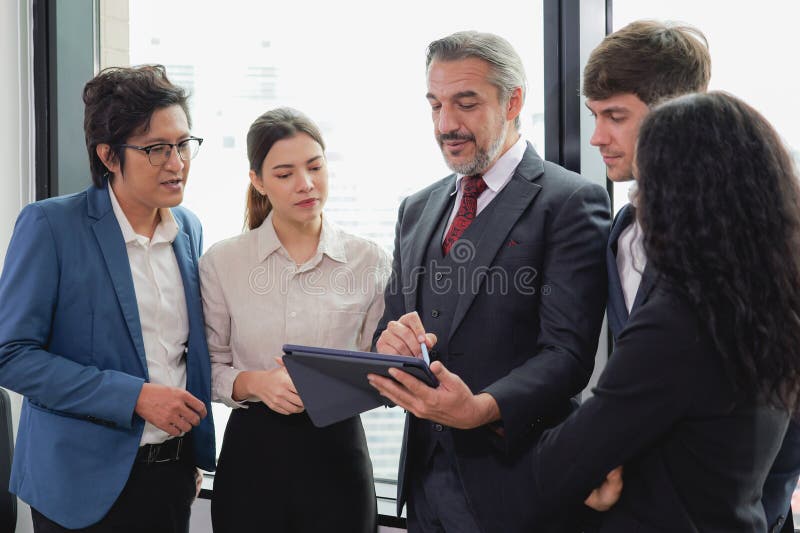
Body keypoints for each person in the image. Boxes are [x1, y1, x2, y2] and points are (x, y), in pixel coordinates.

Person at [368, 31, 611, 532]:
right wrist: (388, 345)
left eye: (466, 103)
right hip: (424, 488)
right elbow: (394, 326)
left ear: (514, 100)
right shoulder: (416, 209)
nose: (445, 124)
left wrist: (481, 409)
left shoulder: (570, 202)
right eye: (435, 104)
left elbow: (567, 355)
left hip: (522, 485)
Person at [530, 90, 800, 532]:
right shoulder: (771, 305)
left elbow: (557, 466)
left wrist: (596, 472)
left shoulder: (679, 322)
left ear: (678, 199)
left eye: (646, 184)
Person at [0, 65, 216, 532]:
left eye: (183, 144)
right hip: (78, 486)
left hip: (171, 477)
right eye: (156, 149)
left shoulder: (190, 231)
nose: (177, 163)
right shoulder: (51, 226)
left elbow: (183, 353)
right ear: (109, 156)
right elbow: (11, 355)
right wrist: (134, 396)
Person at [200, 107, 390, 533]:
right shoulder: (223, 262)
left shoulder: (369, 260)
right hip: (252, 456)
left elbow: (382, 367)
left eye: (315, 167)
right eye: (284, 174)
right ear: (258, 182)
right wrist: (257, 384)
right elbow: (205, 366)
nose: (306, 184)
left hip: (339, 454)